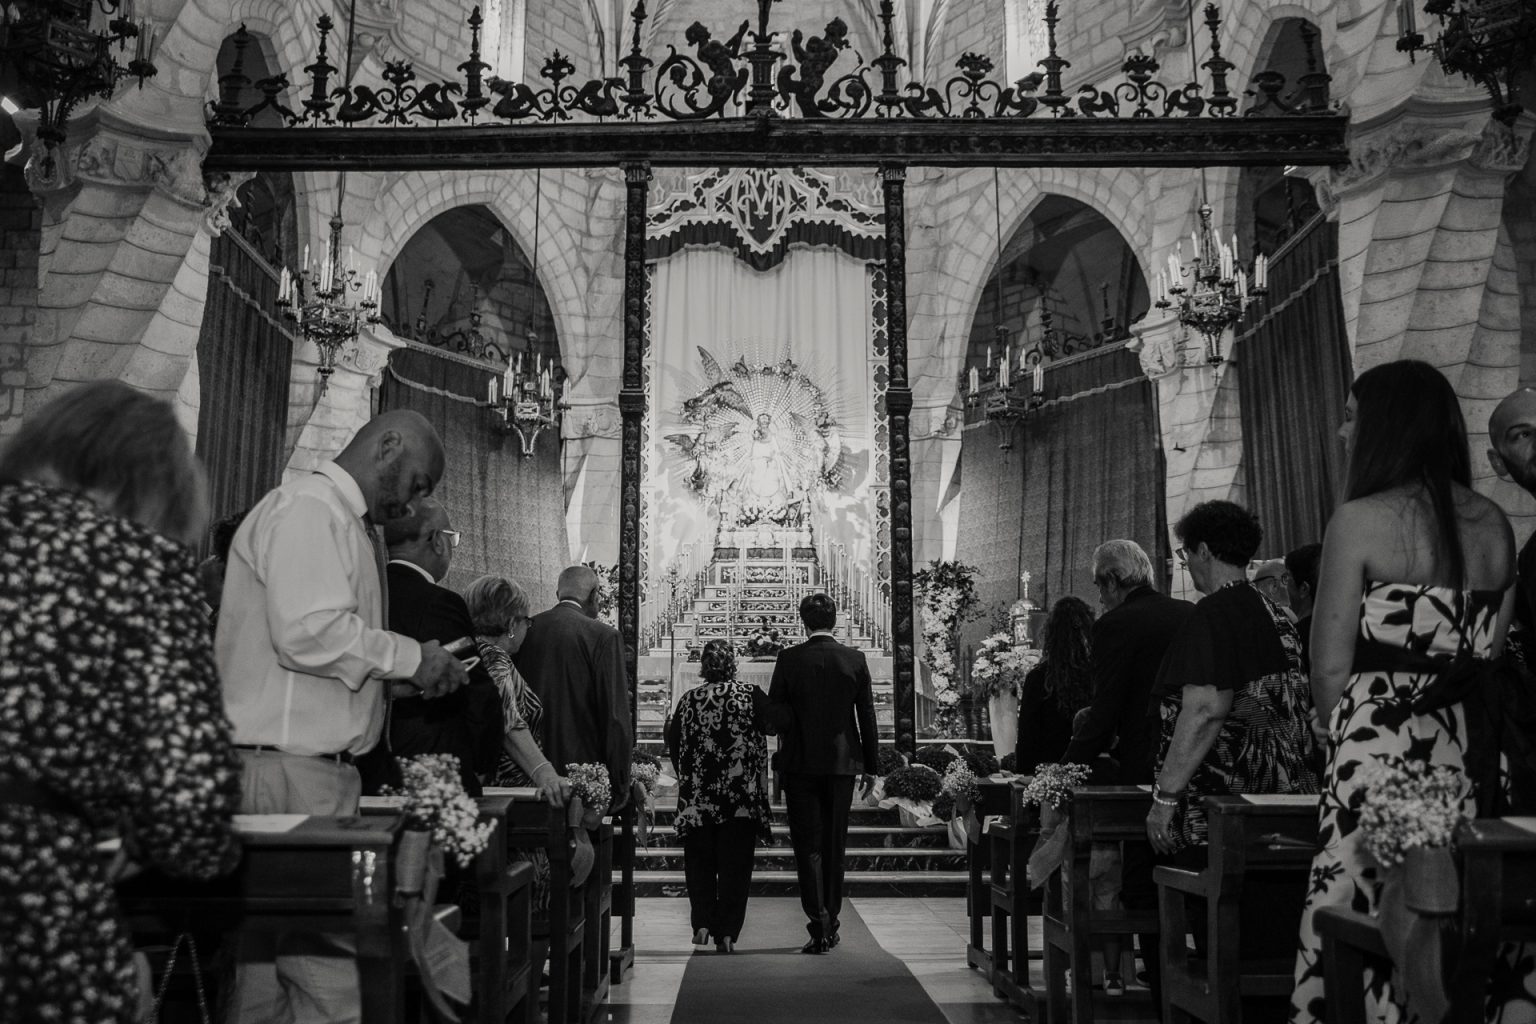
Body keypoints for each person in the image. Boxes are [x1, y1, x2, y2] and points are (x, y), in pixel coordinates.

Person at [1292, 360, 1531, 1024]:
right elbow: (1488, 653)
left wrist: (1335, 727)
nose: (1343, 434)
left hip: (1379, 746)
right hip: (1473, 746)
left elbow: (1328, 666)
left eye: (1349, 416)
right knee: (1459, 910)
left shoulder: (1361, 521)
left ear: (1383, 426)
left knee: (1358, 906)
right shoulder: (1495, 525)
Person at [0, 381, 242, 1024]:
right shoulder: (139, 565)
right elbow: (192, 816)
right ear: (159, 485)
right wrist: (127, 833)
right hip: (33, 908)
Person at [218, 409, 469, 1024]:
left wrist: (388, 692)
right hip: (287, 777)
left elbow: (310, 661)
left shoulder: (339, 519)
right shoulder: (313, 509)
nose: (416, 501)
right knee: (334, 993)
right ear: (387, 445)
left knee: (262, 994)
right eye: (418, 482)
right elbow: (306, 633)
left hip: (290, 771)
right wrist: (411, 658)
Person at [1060, 538, 1192, 1005]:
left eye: (1100, 585)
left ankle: (1161, 992)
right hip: (1196, 763)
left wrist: (1063, 772)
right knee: (1188, 882)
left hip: (1148, 769)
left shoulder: (1116, 624)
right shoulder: (1187, 614)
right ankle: (1189, 991)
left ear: (1114, 581)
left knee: (1144, 883)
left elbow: (1107, 709)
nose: (1099, 596)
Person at [1146, 500, 1319, 856]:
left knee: (1206, 907)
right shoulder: (1277, 614)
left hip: (1223, 812)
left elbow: (1205, 711)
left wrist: (1165, 798)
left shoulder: (1212, 615)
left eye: (1187, 553)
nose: (1187, 563)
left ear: (1204, 551)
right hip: (1280, 801)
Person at [356, 498, 503, 796]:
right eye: (452, 538)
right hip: (431, 771)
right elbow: (474, 689)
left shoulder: (365, 594)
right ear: (437, 541)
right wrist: (482, 763)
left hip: (366, 768)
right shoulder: (439, 603)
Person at [464, 573, 570, 978]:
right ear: (511, 624)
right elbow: (510, 724)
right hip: (511, 804)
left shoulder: (470, 654)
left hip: (491, 798)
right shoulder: (496, 660)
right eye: (526, 621)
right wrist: (545, 773)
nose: (528, 628)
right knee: (540, 889)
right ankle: (517, 989)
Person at [767, 592, 879, 954]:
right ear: (836, 619)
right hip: (843, 764)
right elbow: (867, 718)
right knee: (835, 844)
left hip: (800, 764)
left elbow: (776, 718)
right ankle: (833, 915)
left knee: (808, 847)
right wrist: (872, 767)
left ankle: (819, 923)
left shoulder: (788, 659)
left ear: (804, 621)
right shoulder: (855, 659)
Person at [666, 639, 774, 953]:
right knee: (735, 865)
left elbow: (675, 744)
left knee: (699, 861)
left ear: (703, 667)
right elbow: (774, 725)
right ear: (733, 665)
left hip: (699, 798)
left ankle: (701, 922)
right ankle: (726, 932)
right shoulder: (750, 695)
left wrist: (693, 777)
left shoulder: (688, 699)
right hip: (739, 798)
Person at [514, 564, 632, 809]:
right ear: (594, 596)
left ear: (558, 595)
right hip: (582, 774)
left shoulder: (526, 629)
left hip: (528, 770)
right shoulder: (603, 636)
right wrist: (620, 783)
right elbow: (615, 717)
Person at [1016, 596, 1096, 773]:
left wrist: (1023, 775)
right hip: (1089, 771)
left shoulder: (1038, 678)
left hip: (1046, 774)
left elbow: (1027, 739)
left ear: (1050, 633)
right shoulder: (1097, 675)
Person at [1283, 542, 1324, 668]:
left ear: (1304, 589)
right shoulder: (1352, 630)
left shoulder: (1292, 640)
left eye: (1287, 578)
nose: (1284, 586)